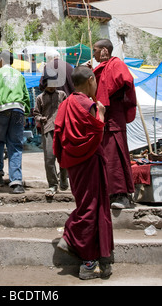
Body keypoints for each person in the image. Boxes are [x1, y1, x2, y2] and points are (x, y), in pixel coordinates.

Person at [53, 65, 114, 280]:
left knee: (86, 204)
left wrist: (65, 161)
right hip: (89, 162)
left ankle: (94, 253)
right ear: (90, 80)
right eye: (95, 81)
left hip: (74, 164)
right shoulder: (89, 105)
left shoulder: (66, 104)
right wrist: (102, 115)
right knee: (91, 208)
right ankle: (84, 257)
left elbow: (58, 135)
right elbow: (95, 136)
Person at [93, 39, 137, 209]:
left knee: (115, 155)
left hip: (114, 117)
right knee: (106, 156)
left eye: (96, 51)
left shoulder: (116, 65)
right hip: (104, 117)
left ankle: (121, 194)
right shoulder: (102, 67)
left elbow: (119, 82)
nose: (95, 55)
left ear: (104, 50)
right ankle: (109, 193)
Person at [0, 50, 31, 194]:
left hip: (2, 110)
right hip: (18, 110)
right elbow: (25, 96)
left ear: (0, 61)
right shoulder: (19, 75)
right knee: (15, 144)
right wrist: (26, 113)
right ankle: (16, 182)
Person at [33, 83, 67, 197]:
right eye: (50, 85)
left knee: (63, 157)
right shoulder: (40, 98)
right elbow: (36, 113)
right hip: (47, 129)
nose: (52, 87)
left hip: (62, 129)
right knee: (49, 158)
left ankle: (63, 178)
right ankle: (52, 184)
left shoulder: (62, 95)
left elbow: (68, 109)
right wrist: (40, 118)